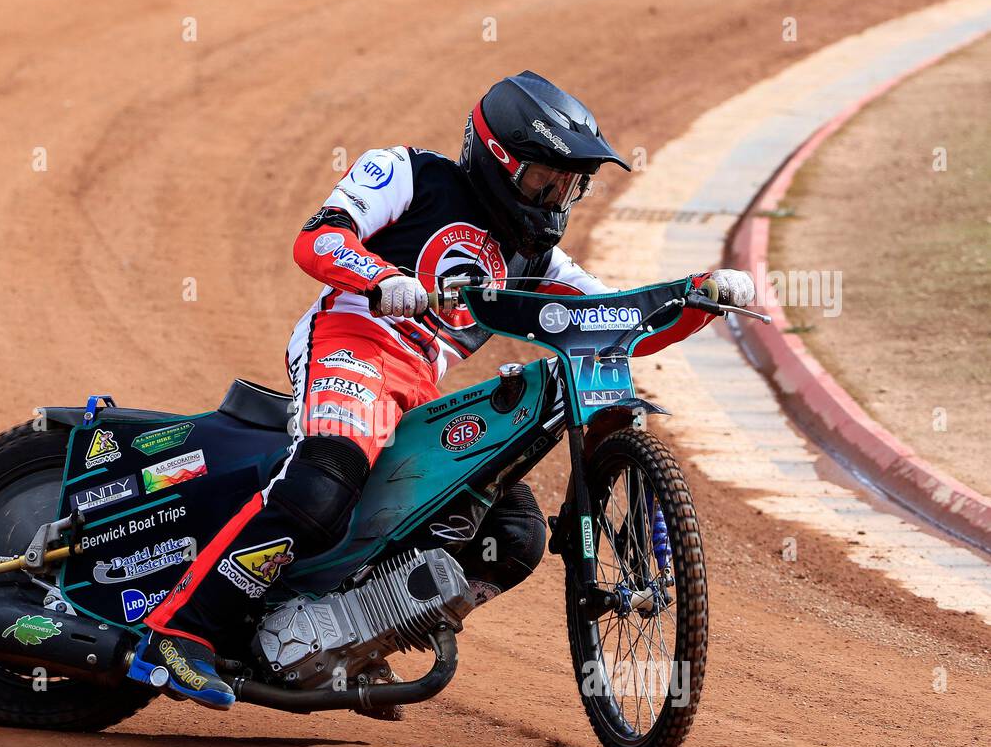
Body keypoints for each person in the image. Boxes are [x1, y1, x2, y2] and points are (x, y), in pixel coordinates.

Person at [129, 70, 755, 710]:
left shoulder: (537, 262)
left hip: (419, 384)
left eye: (571, 186)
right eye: (546, 180)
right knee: (326, 476)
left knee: (514, 534)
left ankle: (348, 640)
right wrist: (379, 278)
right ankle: (183, 630)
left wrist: (699, 297)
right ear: (501, 160)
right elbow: (317, 237)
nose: (557, 199)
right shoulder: (407, 173)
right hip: (353, 341)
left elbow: (618, 323)